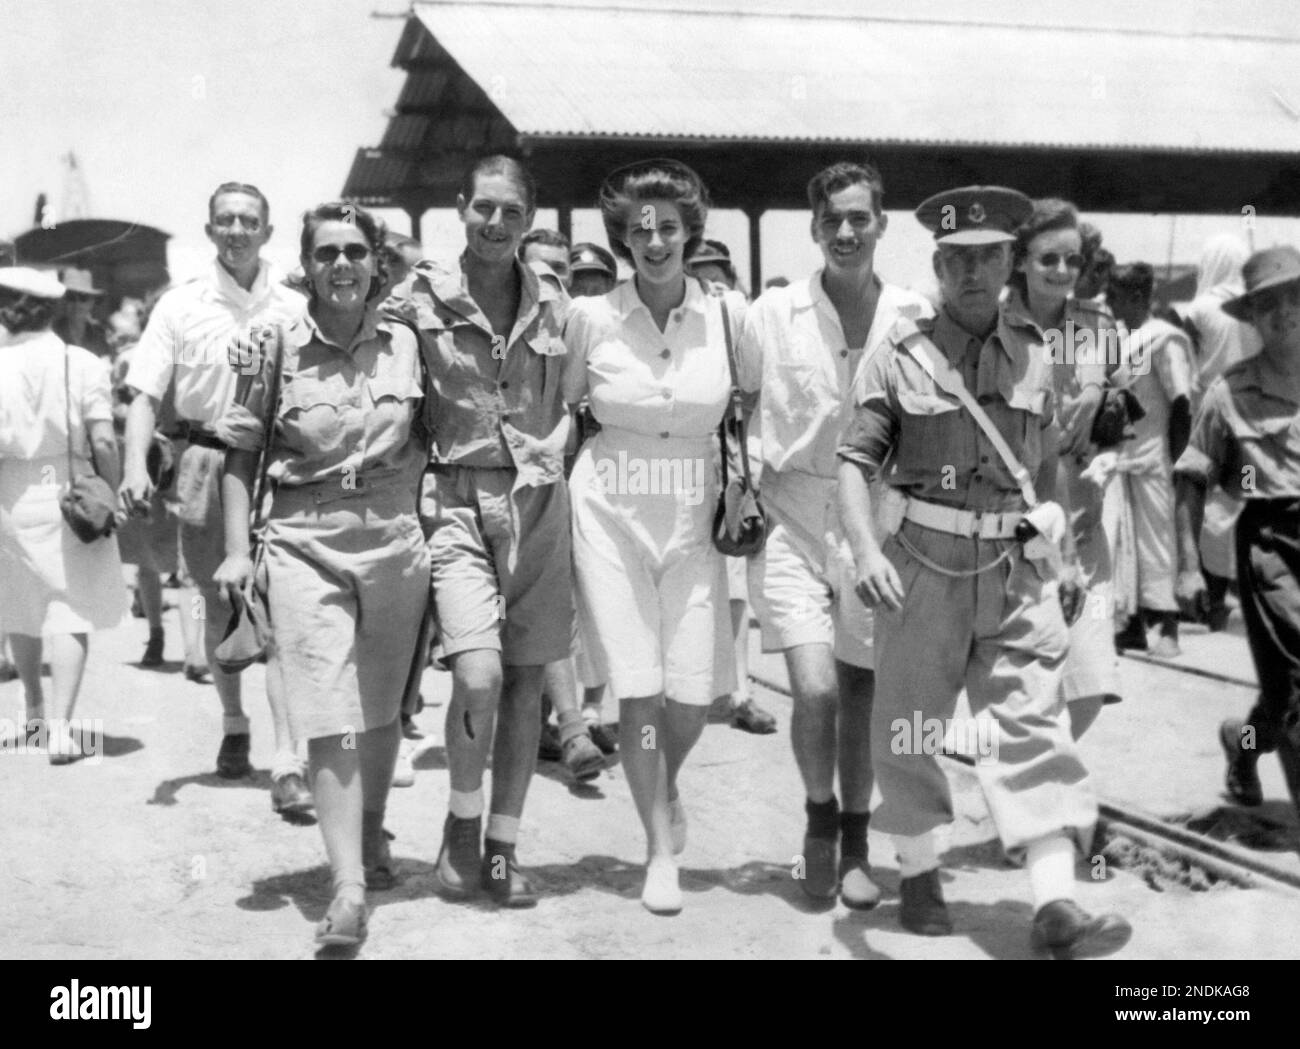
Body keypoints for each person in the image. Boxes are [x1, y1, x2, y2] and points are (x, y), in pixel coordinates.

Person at [837, 186, 1131, 958]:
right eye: (958, 258)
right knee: (911, 725)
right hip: (923, 567)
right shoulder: (899, 353)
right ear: (937, 263)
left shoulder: (1038, 353)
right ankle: (920, 868)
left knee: (1034, 720)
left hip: (1013, 568)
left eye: (990, 256)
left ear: (1009, 264)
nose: (975, 271)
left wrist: (1061, 555)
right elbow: (854, 461)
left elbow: (1042, 468)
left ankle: (1055, 901)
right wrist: (866, 551)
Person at [214, 202, 427, 948]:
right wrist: (240, 550)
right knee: (329, 714)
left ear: (377, 263)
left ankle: (369, 834)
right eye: (327, 252)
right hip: (304, 541)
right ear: (307, 264)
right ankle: (348, 885)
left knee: (378, 709)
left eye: (355, 252)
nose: (342, 264)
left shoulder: (410, 342)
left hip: (396, 544)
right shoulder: (269, 342)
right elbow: (239, 455)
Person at [737, 161, 932, 907]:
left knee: (863, 689)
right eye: (831, 221)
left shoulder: (915, 314)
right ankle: (819, 816)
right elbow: (742, 405)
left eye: (859, 218)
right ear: (814, 228)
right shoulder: (772, 313)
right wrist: (742, 498)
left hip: (876, 522)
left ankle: (855, 841)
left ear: (881, 223)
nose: (845, 232)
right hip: (792, 514)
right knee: (813, 685)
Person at [394, 155, 573, 907]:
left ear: (528, 219)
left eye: (510, 211)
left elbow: (583, 400)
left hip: (538, 505)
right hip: (457, 500)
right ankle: (461, 823)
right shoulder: (418, 295)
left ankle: (502, 846)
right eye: (482, 208)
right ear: (460, 208)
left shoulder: (557, 304)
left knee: (528, 681)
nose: (495, 224)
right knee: (479, 674)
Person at [563, 158, 740, 913]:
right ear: (623, 241)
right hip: (610, 505)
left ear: (691, 233)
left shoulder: (732, 316)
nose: (656, 240)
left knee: (694, 695)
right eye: (640, 230)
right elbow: (565, 411)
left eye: (669, 227)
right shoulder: (591, 317)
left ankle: (662, 782)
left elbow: (751, 411)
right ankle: (657, 850)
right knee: (638, 687)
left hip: (695, 508)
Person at [120, 182, 311, 815]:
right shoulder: (180, 307)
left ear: (266, 229)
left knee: (285, 605)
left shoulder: (293, 305)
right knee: (219, 599)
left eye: (248, 220)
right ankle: (234, 726)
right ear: (209, 231)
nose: (237, 230)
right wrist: (134, 467)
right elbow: (145, 395)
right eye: (225, 220)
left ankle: (291, 759)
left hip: (280, 465)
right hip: (203, 461)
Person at [1175, 245, 1300, 817]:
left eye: (1296, 298)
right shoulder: (1228, 393)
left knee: (1282, 692)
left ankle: (1243, 743)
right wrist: (1183, 566)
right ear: (1254, 318)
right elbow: (1193, 478)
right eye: (1270, 304)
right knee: (1297, 687)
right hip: (1271, 544)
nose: (1286, 313)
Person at [0, 268, 126, 763]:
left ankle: (30, 714)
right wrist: (111, 490)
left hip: (7, 492)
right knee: (68, 610)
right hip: (70, 492)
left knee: (19, 604)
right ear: (51, 309)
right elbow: (102, 439)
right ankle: (61, 729)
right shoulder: (83, 363)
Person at [1007, 199, 1119, 737]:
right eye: (1047, 259)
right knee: (1034, 681)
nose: (1061, 272)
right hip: (1022, 533)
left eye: (1072, 260)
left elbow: (1110, 383)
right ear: (1021, 260)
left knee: (1091, 684)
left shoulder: (1096, 320)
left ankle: (1045, 788)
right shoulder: (996, 323)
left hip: (1086, 526)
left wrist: (1098, 388)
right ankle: (1038, 801)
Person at [684, 237, 777, 735]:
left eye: (719, 272)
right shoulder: (678, 326)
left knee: (736, 583)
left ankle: (740, 689)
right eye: (701, 273)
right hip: (678, 467)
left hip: (732, 462)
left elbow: (763, 392)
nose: (712, 281)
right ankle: (689, 691)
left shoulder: (745, 323)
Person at [1170, 234, 1262, 629]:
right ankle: (1235, 590)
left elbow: (1184, 366)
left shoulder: (1200, 308)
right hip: (1256, 411)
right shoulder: (1256, 307)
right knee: (1243, 498)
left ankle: (1210, 592)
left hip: (1211, 411)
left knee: (1204, 499)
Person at [1108, 262, 1194, 658]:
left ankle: (1169, 627)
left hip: (1155, 456)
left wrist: (1179, 459)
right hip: (1123, 457)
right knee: (1126, 547)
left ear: (1138, 297)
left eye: (1118, 295)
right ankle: (1131, 628)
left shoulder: (1166, 339)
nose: (1111, 301)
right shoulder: (1125, 339)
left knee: (1159, 544)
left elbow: (1182, 402)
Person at [53, 268, 112, 359]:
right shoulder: (53, 333)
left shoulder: (99, 335)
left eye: (83, 298)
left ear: (92, 302)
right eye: (71, 297)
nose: (77, 304)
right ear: (63, 301)